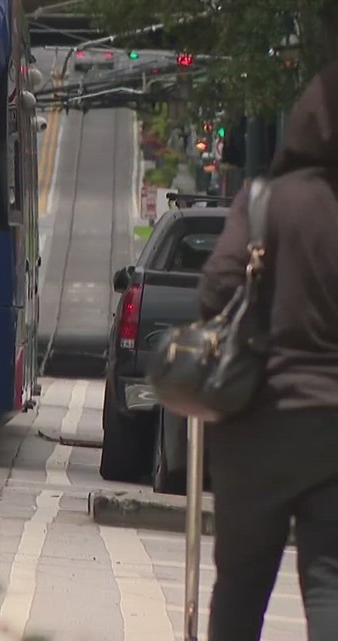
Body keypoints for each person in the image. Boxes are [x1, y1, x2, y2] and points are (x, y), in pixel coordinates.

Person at [197, 60, 338, 641]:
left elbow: (215, 293)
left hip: (260, 421)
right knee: (330, 582)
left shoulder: (264, 202)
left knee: (242, 582)